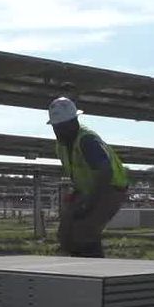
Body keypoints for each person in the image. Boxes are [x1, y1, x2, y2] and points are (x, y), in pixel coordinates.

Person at [48, 96, 129, 257]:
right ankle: (75, 263)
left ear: (73, 122)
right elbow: (78, 173)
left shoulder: (87, 141)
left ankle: (95, 266)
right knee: (65, 232)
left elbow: (106, 172)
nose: (58, 131)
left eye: (62, 127)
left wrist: (90, 204)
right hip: (87, 190)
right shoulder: (61, 146)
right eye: (56, 127)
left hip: (110, 189)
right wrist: (77, 197)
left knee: (85, 230)